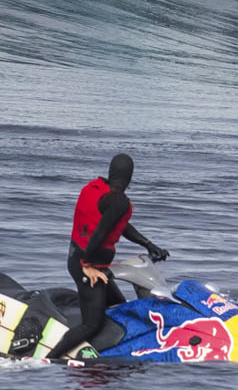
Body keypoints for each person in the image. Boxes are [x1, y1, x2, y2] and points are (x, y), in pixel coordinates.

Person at [53, 151, 170, 358]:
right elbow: (99, 233)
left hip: (80, 259)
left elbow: (117, 223)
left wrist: (148, 244)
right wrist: (87, 265)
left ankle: (107, 349)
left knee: (119, 306)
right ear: (130, 177)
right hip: (87, 267)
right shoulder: (118, 201)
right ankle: (46, 360)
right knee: (92, 325)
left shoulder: (97, 191)